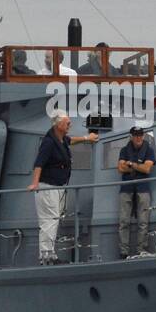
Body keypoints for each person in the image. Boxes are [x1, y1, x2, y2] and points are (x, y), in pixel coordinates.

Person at [28, 112, 98, 265]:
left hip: (57, 187)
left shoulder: (60, 138)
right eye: (67, 123)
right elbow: (39, 163)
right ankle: (45, 256)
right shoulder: (49, 142)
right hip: (48, 187)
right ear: (58, 125)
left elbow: (71, 140)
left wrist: (87, 138)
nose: (70, 125)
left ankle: (49, 254)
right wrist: (35, 183)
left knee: (53, 219)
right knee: (50, 220)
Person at [117, 125, 156, 258]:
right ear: (131, 136)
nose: (138, 137)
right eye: (135, 135)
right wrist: (139, 166)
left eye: (140, 135)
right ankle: (123, 252)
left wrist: (131, 164)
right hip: (126, 188)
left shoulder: (149, 150)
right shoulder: (123, 150)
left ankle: (141, 250)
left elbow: (147, 169)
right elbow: (120, 168)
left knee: (143, 222)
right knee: (123, 221)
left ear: (143, 136)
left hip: (142, 188)